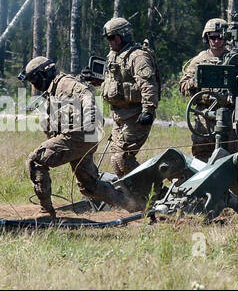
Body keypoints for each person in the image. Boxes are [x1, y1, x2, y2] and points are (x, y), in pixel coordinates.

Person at [20, 56, 123, 217]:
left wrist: (90, 118)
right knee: (89, 186)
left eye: (34, 80)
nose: (35, 85)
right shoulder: (52, 91)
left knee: (35, 161)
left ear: (45, 74)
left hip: (79, 135)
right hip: (80, 137)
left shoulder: (66, 84)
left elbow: (86, 94)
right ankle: (130, 203)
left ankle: (46, 211)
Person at [99, 16, 159, 177]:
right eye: (108, 38)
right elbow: (114, 82)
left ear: (123, 35)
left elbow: (148, 85)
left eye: (112, 37)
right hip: (119, 116)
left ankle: (153, 190)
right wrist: (94, 80)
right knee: (117, 161)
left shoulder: (138, 57)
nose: (109, 42)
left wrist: (148, 110)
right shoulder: (114, 55)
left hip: (135, 115)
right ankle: (131, 197)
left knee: (122, 158)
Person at [178, 18, 229, 161]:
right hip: (204, 115)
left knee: (230, 157)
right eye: (212, 37)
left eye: (219, 36)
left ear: (226, 37)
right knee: (201, 157)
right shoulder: (199, 61)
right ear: (207, 38)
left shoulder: (235, 59)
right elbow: (183, 87)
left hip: (229, 116)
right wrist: (196, 81)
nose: (216, 40)